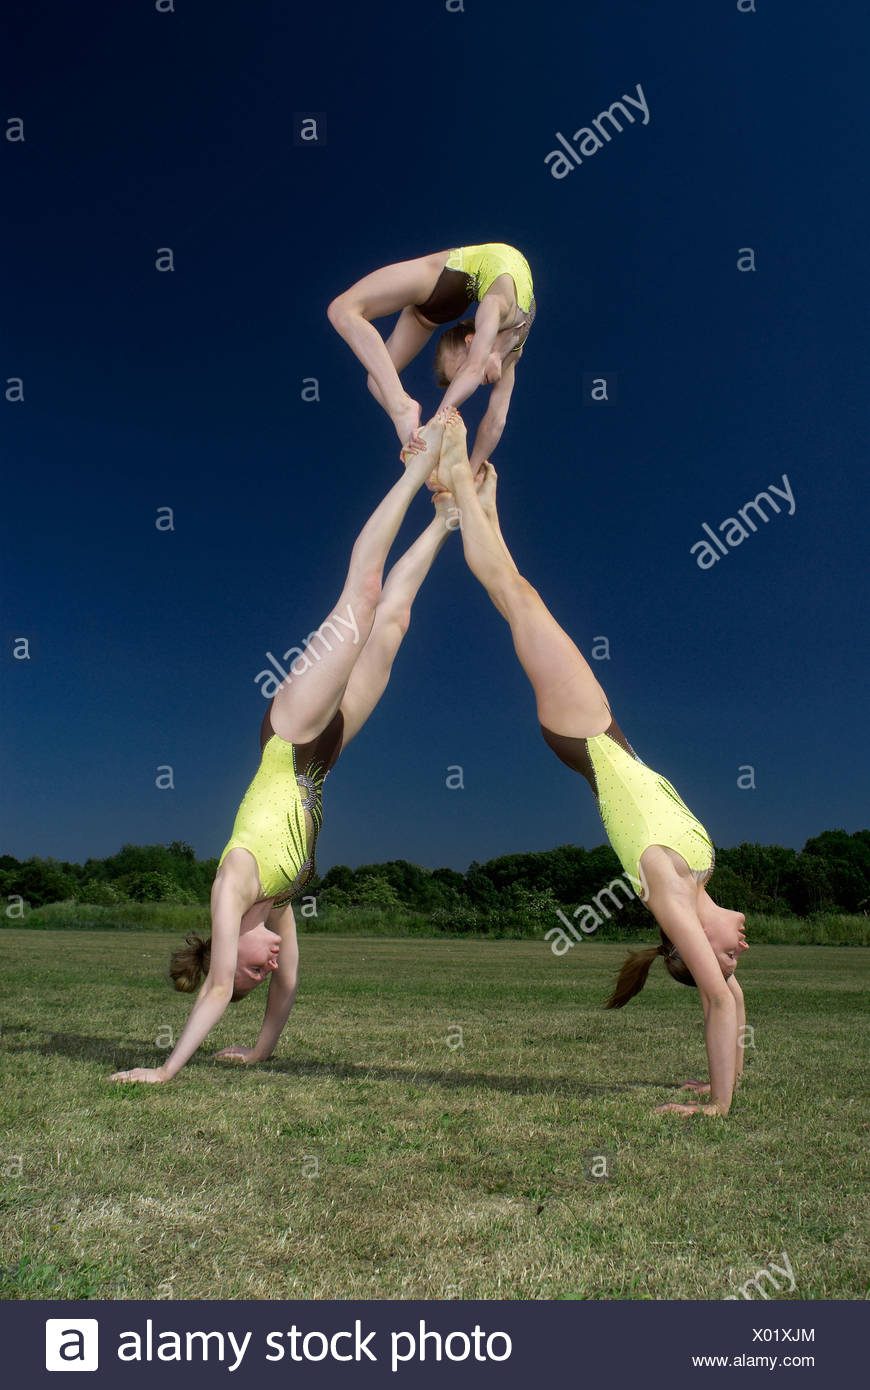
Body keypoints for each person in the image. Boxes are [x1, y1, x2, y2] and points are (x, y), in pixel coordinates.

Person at [109, 419, 454, 1084]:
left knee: (362, 598)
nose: (264, 968)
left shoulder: (233, 886)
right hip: (321, 758)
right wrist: (262, 1048)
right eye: (256, 975)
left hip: (290, 734)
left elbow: (214, 990)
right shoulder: (284, 899)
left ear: (228, 948)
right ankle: (444, 519)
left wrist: (165, 1070)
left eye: (248, 968)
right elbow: (289, 985)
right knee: (392, 628)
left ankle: (417, 466)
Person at [432, 413, 749, 1118]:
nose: (741, 949)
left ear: (690, 943)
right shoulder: (698, 873)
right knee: (521, 597)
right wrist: (715, 1079)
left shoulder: (668, 889)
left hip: (586, 737)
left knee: (518, 601)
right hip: (606, 731)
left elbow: (719, 997)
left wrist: (717, 1106)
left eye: (727, 954)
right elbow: (723, 998)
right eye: (734, 958)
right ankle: (474, 506)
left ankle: (455, 483)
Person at [327, 243, 534, 466]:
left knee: (373, 368)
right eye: (459, 372)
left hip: (449, 290)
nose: (466, 381)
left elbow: (496, 421)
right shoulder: (497, 306)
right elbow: (474, 369)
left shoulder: (511, 354)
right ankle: (404, 414)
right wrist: (438, 423)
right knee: (347, 320)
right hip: (452, 272)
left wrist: (472, 471)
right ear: (471, 341)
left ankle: (407, 423)